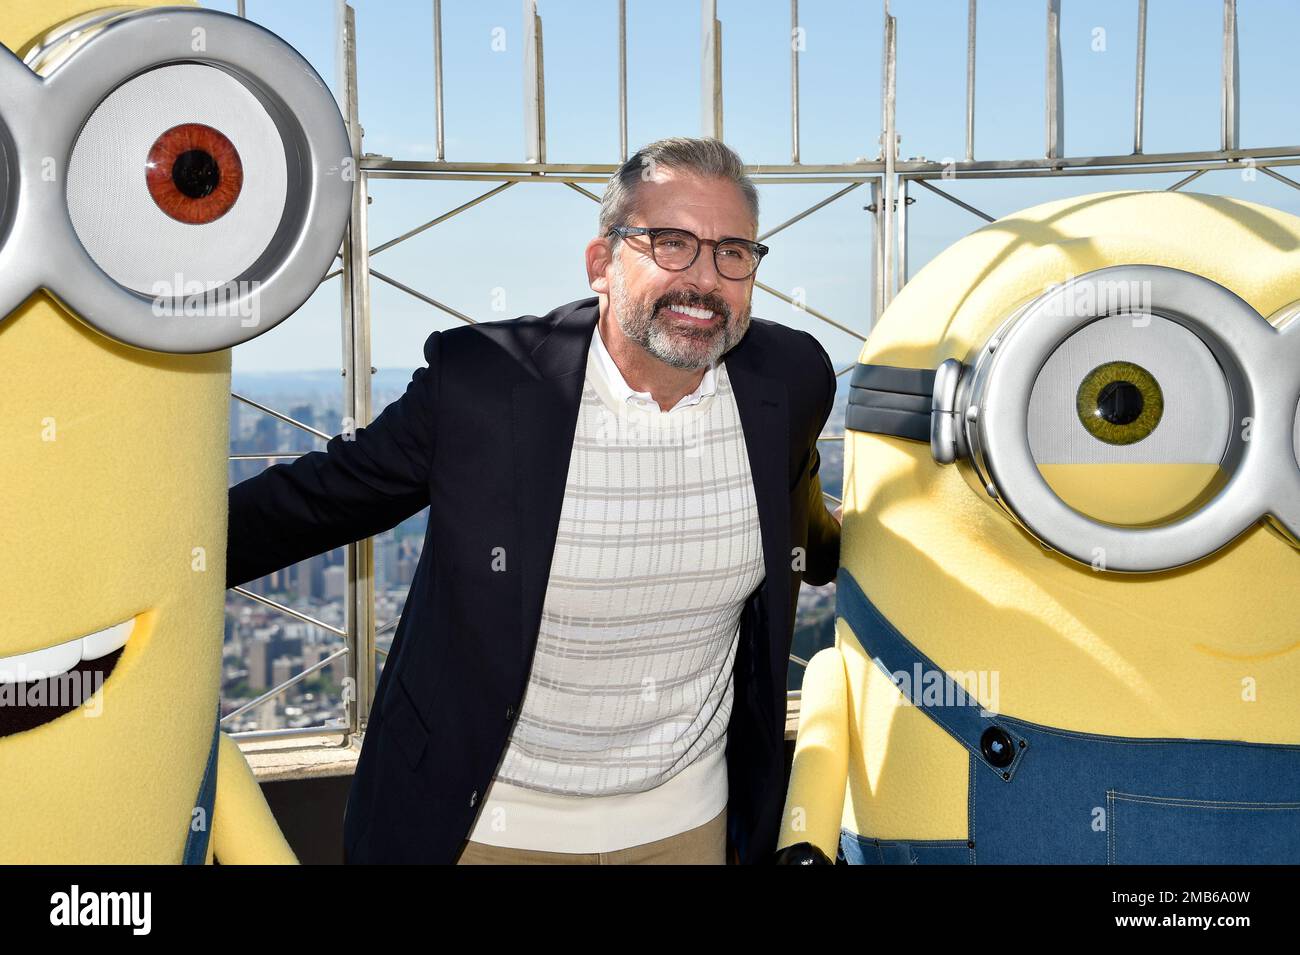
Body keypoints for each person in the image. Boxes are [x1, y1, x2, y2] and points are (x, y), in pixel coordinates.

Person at [226, 136, 841, 864]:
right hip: (484, 827)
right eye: (671, 243)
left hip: (688, 825)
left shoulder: (791, 378)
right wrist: (140, 569)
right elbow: (318, 500)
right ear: (601, 265)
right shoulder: (487, 384)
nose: (703, 280)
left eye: (731, 252)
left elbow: (804, 521)